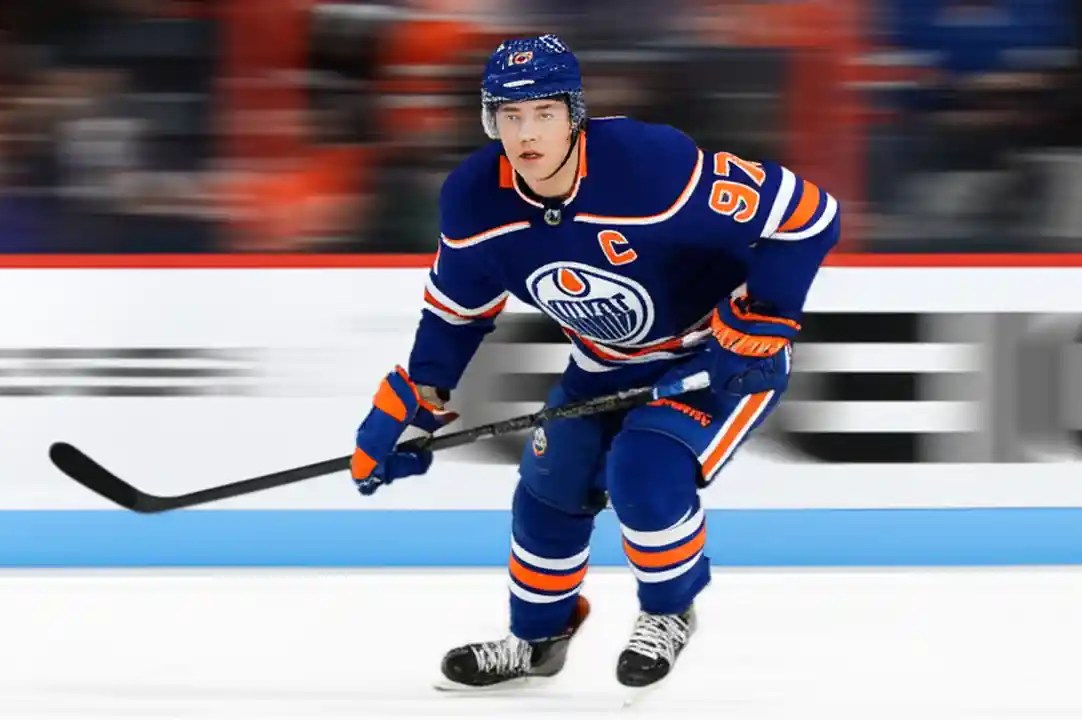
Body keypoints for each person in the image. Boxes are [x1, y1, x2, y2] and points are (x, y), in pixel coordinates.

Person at [349, 34, 839, 690]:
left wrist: (768, 318)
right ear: (489, 119)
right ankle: (536, 641)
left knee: (645, 469)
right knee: (550, 488)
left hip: (716, 361)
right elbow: (455, 311)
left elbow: (809, 215)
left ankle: (668, 613)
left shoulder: (650, 166)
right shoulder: (474, 200)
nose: (526, 134)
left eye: (544, 114)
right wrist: (418, 397)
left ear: (574, 115)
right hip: (605, 362)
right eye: (510, 116)